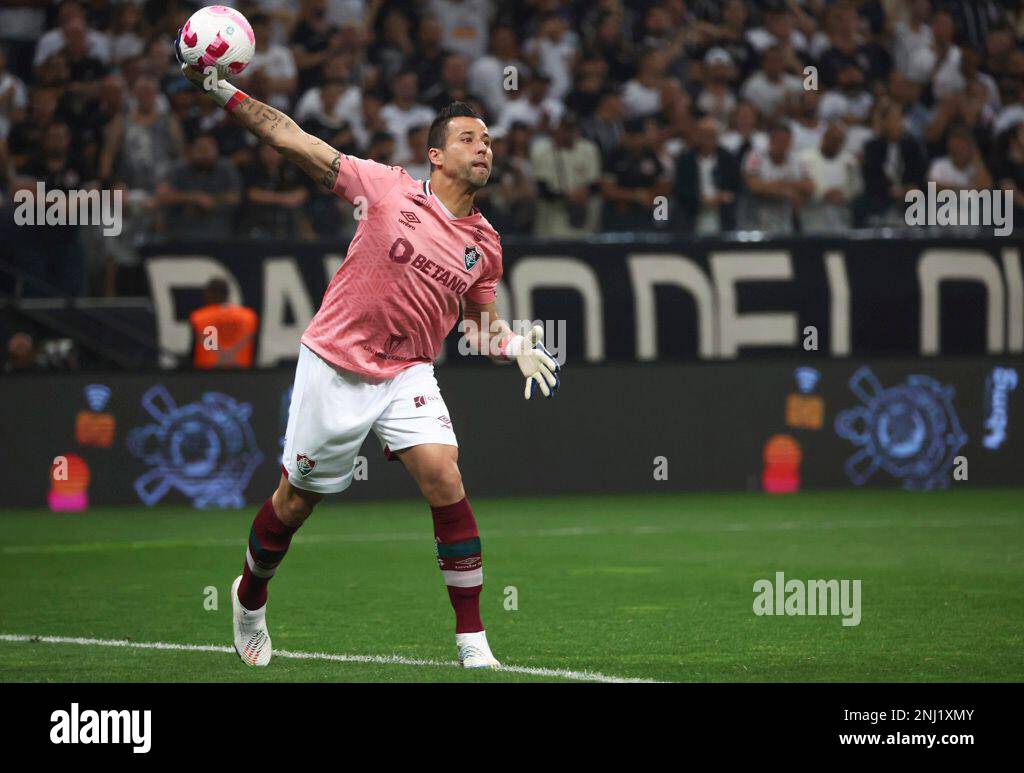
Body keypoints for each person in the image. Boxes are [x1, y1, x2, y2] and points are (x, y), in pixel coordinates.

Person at [176, 35, 562, 669]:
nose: (484, 147)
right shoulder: (384, 188)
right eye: (469, 138)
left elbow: (481, 325)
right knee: (296, 500)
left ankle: (472, 640)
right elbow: (290, 138)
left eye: (488, 139)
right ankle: (249, 597)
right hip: (335, 361)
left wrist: (513, 343)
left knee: (444, 477)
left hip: (408, 370)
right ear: (435, 154)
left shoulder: (485, 244)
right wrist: (221, 89)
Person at [189, 278, 259, 369]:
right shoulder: (249, 316)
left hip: (206, 376)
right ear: (227, 294)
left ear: (210, 293)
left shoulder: (200, 317)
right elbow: (254, 350)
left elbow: (193, 352)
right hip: (242, 376)